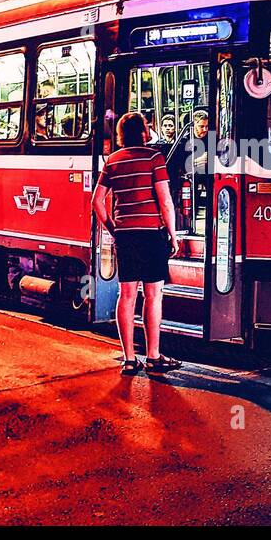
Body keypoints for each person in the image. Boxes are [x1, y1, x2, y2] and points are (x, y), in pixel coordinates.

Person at [92, 112, 183, 375]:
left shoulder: (112, 161)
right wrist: (174, 235)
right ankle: (153, 356)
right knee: (153, 295)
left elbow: (97, 202)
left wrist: (113, 228)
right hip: (151, 234)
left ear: (121, 134)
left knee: (127, 294)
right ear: (144, 132)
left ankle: (129, 359)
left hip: (126, 235)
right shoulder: (154, 158)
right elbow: (165, 201)